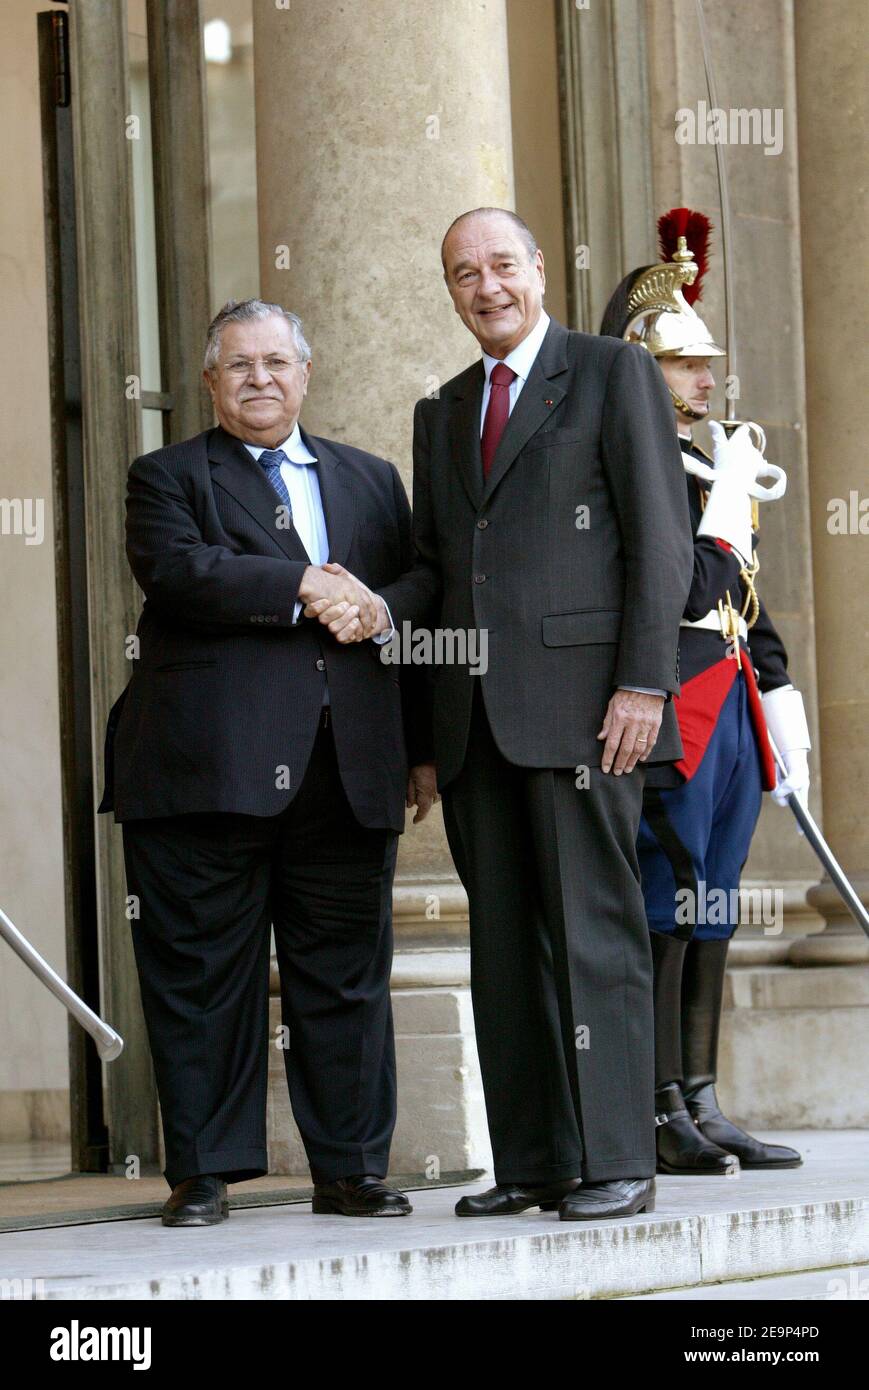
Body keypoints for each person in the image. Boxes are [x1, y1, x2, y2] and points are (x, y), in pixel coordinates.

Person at [98, 298, 436, 1224]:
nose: (260, 379)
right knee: (204, 975)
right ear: (210, 382)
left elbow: (415, 585)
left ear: (305, 374)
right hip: (207, 768)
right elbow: (181, 572)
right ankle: (204, 1173)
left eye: (277, 363)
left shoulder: (368, 480)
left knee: (344, 977)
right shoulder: (166, 476)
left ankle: (351, 1171)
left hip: (348, 765)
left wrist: (381, 622)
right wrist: (303, 582)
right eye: (239, 365)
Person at [406, 207, 694, 1221]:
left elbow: (660, 540)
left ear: (536, 269)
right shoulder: (441, 410)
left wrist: (644, 683)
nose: (484, 287)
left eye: (499, 266)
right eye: (461, 274)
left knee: (593, 935)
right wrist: (420, 736)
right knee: (503, 950)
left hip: (586, 712)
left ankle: (618, 1158)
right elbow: (439, 572)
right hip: (472, 721)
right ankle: (532, 1162)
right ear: (449, 292)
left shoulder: (610, 373)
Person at [599, 208, 809, 1175]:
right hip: (670, 695)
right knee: (664, 894)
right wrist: (724, 500)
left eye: (706, 361)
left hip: (726, 699)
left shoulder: (711, 455)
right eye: (685, 362)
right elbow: (683, 584)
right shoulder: (640, 462)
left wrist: (780, 698)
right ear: (639, 365)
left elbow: (744, 596)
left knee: (714, 899)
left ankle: (700, 1096)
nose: (705, 374)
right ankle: (653, 1108)